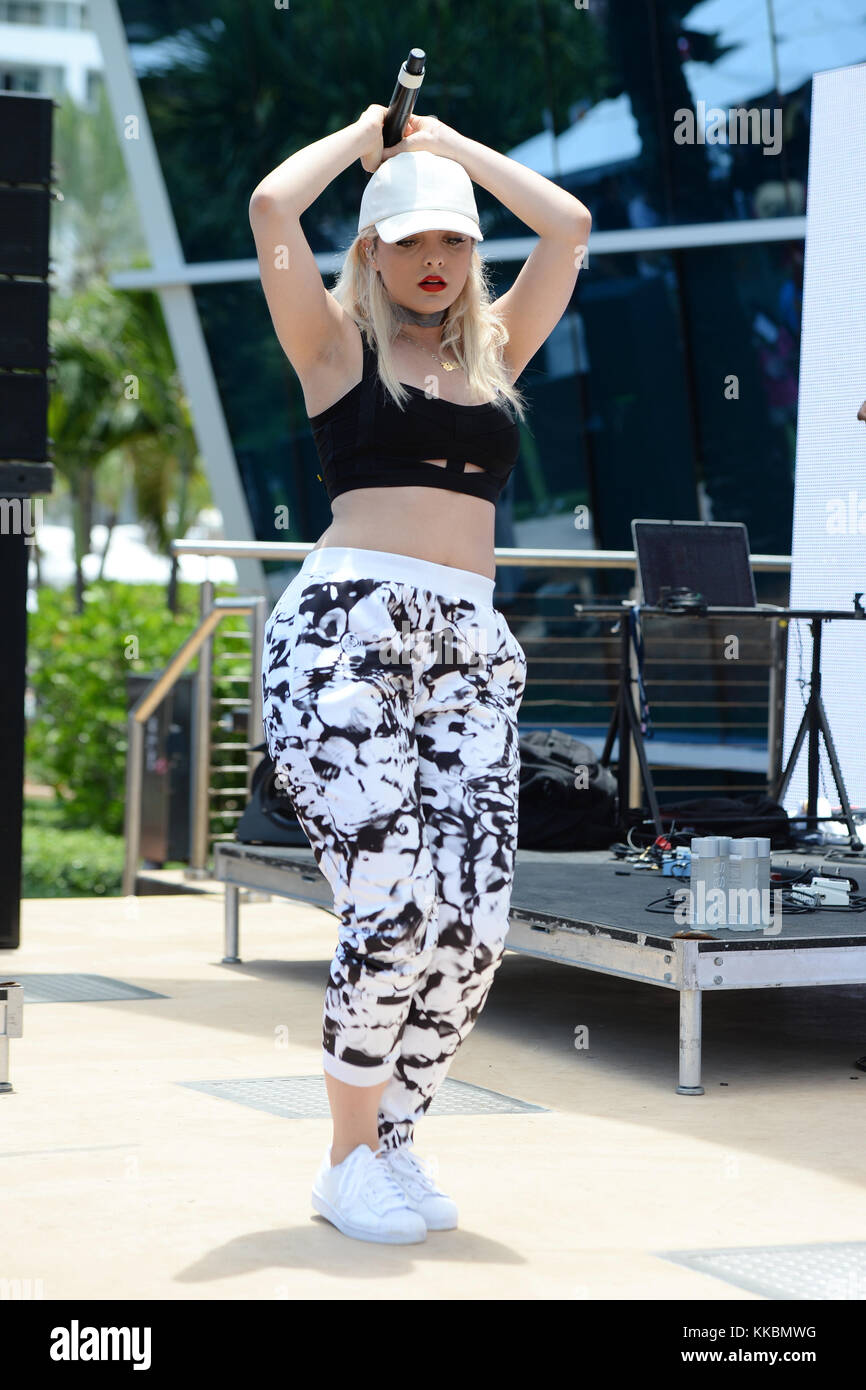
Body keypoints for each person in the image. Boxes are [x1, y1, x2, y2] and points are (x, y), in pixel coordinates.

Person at [250, 104, 591, 1245]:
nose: (436, 262)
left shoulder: (494, 352)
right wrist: (366, 141)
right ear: (372, 254)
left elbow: (571, 223)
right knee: (390, 907)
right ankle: (343, 1160)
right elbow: (268, 208)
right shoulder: (336, 351)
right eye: (411, 242)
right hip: (343, 640)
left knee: (474, 922)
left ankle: (393, 1139)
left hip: (467, 653)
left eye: (452, 242)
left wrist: (448, 148)